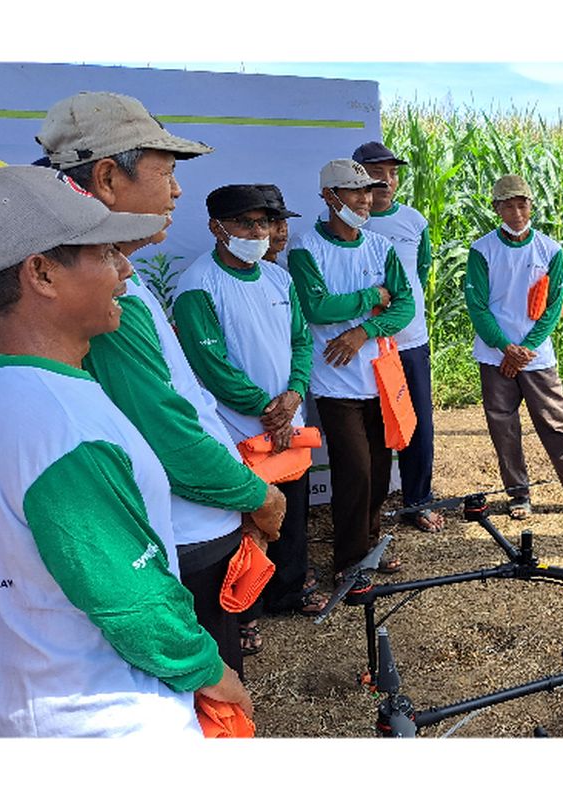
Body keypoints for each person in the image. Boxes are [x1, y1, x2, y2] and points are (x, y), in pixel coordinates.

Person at [0, 165, 251, 736]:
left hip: (26, 699)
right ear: (42, 273)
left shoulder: (3, 391)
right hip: (109, 721)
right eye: (104, 253)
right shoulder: (60, 421)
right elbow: (129, 599)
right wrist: (211, 670)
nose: (125, 267)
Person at [37, 91, 285, 678]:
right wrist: (259, 496)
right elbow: (166, 431)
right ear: (106, 178)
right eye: (167, 173)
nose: (176, 191)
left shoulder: (114, 273)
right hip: (189, 529)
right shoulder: (98, 294)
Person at [173, 185, 323, 658]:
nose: (257, 232)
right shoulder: (198, 285)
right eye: (244, 223)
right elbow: (209, 363)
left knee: (290, 511)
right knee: (246, 525)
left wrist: (294, 393)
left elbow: (302, 341)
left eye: (263, 223)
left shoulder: (278, 280)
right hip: (239, 429)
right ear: (217, 227)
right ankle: (244, 612)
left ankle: (289, 589)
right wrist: (266, 406)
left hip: (286, 421)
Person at [287, 159, 414, 590]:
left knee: (379, 469)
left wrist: (364, 330)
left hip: (377, 375)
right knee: (354, 469)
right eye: (354, 191)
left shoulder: (380, 246)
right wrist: (370, 296)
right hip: (333, 380)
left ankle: (370, 546)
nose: (365, 199)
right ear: (328, 196)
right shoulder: (306, 248)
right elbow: (316, 307)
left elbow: (404, 306)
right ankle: (349, 559)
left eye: (367, 191)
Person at [465, 174, 563, 521]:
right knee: (504, 426)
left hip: (534, 355)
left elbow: (554, 305)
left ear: (531, 206)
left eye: (522, 204)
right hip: (495, 354)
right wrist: (505, 347)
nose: (516, 212)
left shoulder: (549, 250)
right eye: (508, 205)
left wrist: (525, 349)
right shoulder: (482, 250)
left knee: (557, 422)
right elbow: (478, 306)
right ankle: (518, 494)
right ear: (496, 208)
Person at [353, 142, 443, 533]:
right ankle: (368, 512)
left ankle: (417, 500)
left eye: (392, 173)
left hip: (410, 341)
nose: (386, 181)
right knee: (372, 428)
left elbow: (418, 275)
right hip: (366, 346)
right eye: (377, 172)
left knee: (418, 422)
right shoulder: (351, 224)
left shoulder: (414, 221)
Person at [256, 183, 299, 266]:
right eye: (272, 220)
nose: (282, 228)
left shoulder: (285, 269)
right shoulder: (240, 271)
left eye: (284, 219)